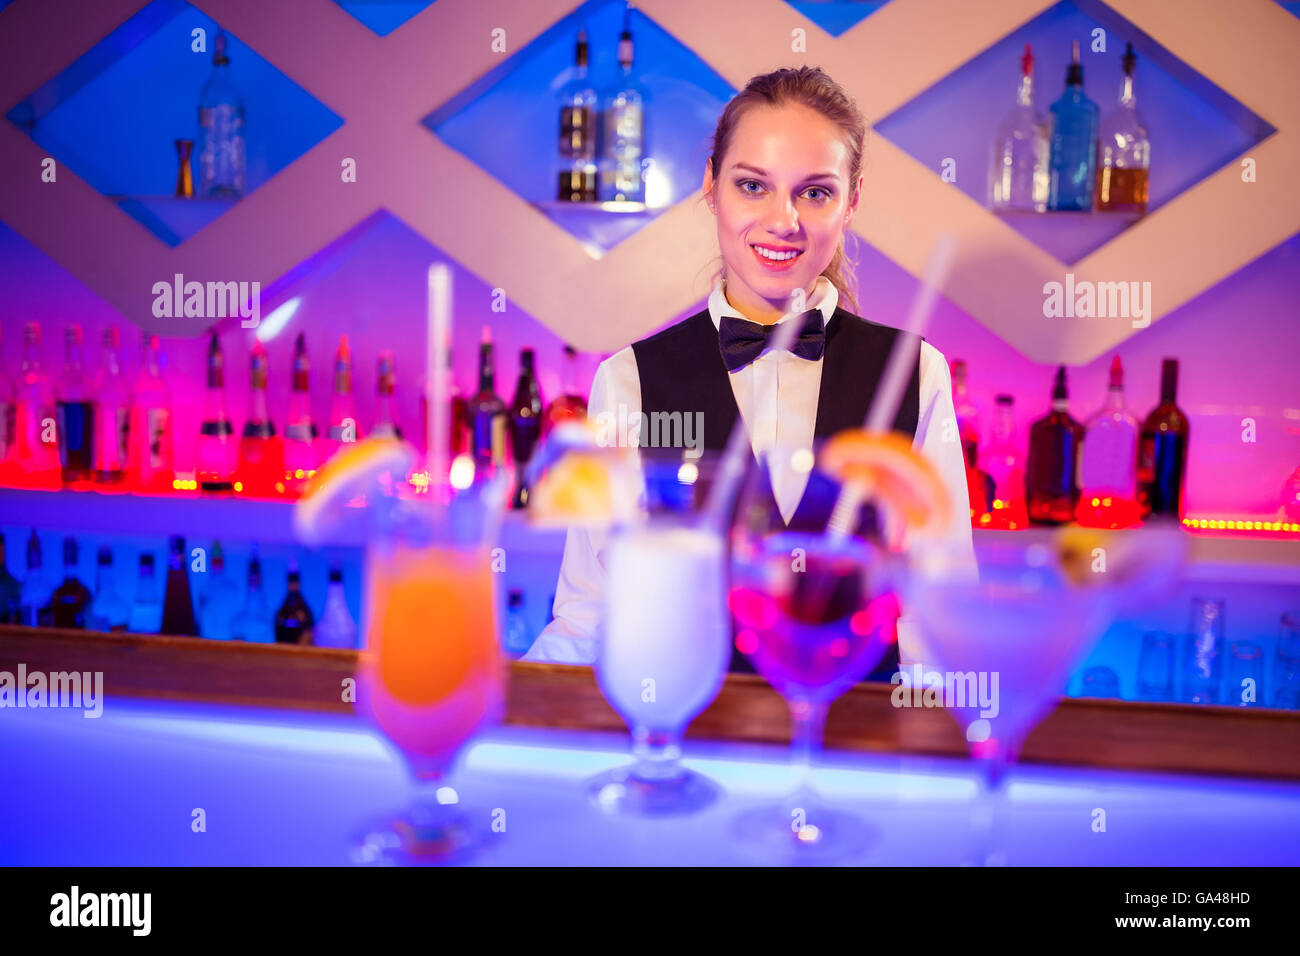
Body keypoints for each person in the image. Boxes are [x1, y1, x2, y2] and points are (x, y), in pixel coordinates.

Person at [525, 65, 974, 671]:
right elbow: (592, 614)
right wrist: (513, 713)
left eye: (815, 192)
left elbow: (939, 616)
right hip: (692, 738)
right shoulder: (629, 381)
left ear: (852, 202)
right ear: (711, 186)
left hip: (853, 743)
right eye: (753, 186)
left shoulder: (916, 373)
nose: (783, 221)